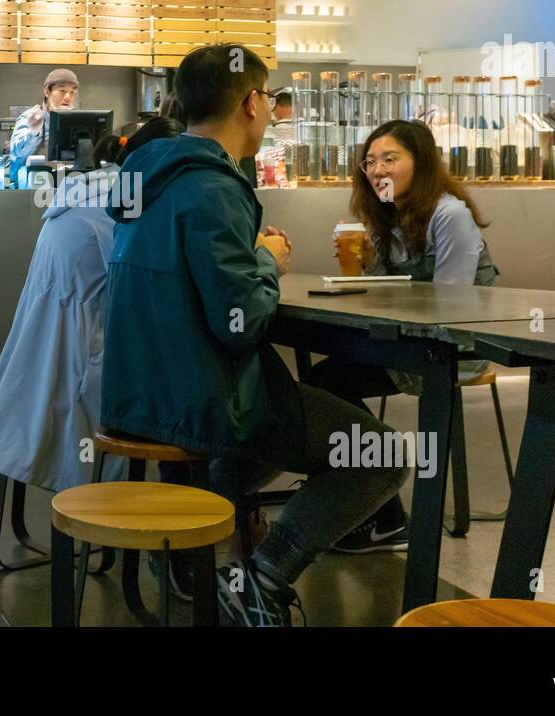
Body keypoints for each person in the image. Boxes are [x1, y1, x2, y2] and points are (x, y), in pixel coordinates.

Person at [100, 44, 408, 627]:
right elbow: (240, 321)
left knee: (302, 415)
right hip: (202, 399)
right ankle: (260, 579)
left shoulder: (151, 176)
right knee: (383, 453)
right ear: (248, 102)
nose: (270, 109)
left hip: (139, 394)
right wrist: (267, 261)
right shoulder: (212, 188)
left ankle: (192, 553)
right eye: (267, 97)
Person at [305, 118, 499, 554]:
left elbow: (452, 306)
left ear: (422, 162)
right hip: (409, 341)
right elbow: (387, 295)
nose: (377, 170)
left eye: (390, 159)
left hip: (451, 349)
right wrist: (370, 265)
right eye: (370, 161)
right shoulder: (386, 216)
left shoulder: (450, 215)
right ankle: (374, 506)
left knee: (329, 385)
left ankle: (383, 510)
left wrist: (380, 288)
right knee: (322, 382)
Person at [0, 116, 185, 493]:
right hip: (88, 379)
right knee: (195, 396)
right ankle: (182, 517)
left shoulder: (89, 191)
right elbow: (154, 288)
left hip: (44, 378)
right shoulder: (121, 203)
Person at [8, 68, 79, 185]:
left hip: (62, 185)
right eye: (62, 91)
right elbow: (16, 153)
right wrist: (33, 133)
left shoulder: (74, 120)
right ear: (47, 92)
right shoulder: (29, 117)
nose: (68, 97)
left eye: (72, 92)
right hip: (28, 187)